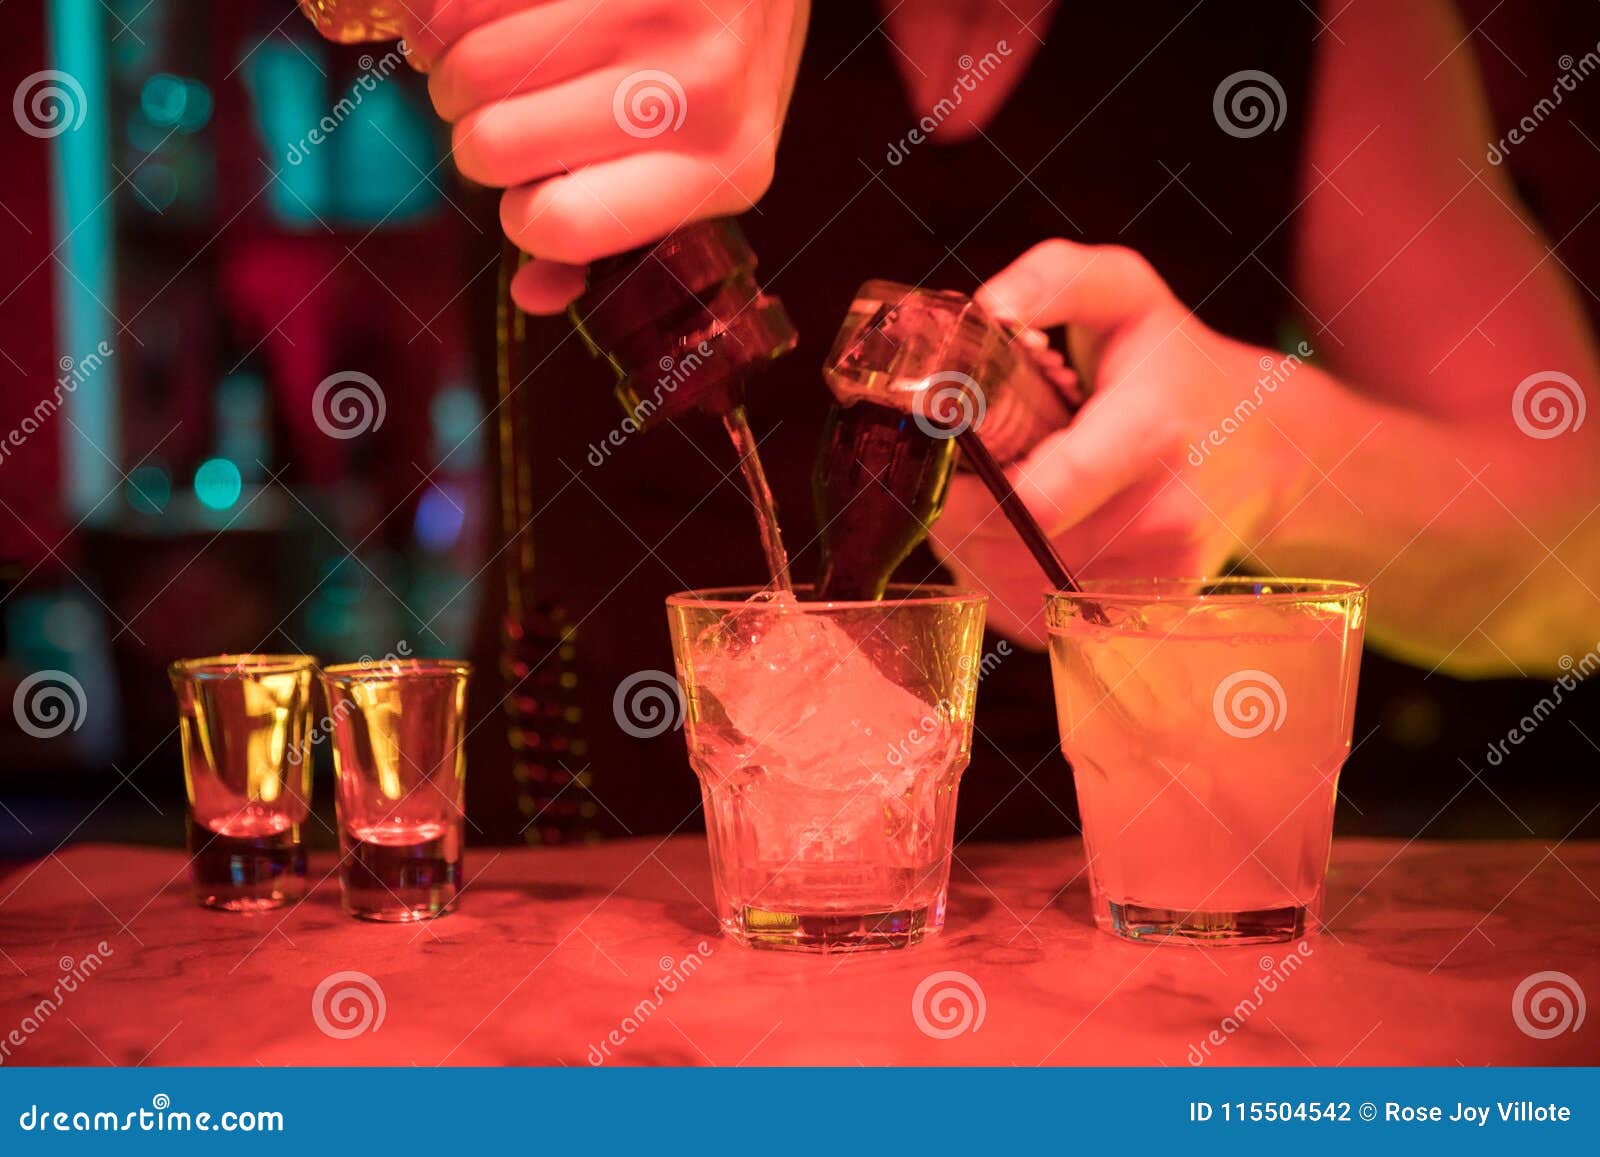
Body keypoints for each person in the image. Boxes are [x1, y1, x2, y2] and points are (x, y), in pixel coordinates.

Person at [363, 1, 1600, 838]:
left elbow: (1576, 566)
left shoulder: (1319, 22)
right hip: (583, 911)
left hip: (1117, 955)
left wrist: (1262, 451)